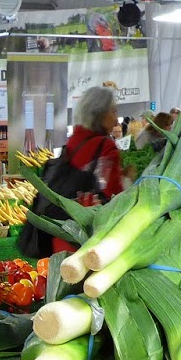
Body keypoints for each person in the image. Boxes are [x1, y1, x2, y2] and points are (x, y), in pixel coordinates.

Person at [51, 85, 124, 254]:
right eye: (113, 112)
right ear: (100, 114)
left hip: (63, 233)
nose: (116, 119)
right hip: (90, 238)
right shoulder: (106, 146)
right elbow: (114, 194)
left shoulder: (73, 141)